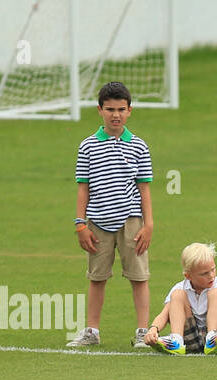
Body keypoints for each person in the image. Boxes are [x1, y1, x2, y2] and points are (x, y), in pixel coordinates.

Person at [66, 81, 155, 349]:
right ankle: (92, 331)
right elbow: (84, 187)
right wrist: (80, 224)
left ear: (130, 111)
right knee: (97, 277)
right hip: (97, 223)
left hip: (131, 222)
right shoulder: (88, 146)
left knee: (139, 277)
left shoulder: (139, 146)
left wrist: (148, 224)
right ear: (99, 110)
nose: (115, 115)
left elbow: (144, 188)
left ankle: (143, 332)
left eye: (121, 109)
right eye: (109, 109)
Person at [144, 242, 217, 354]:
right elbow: (165, 313)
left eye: (213, 269)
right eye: (204, 273)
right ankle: (176, 341)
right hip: (189, 338)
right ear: (188, 276)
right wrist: (153, 329)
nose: (211, 275)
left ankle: (211, 338)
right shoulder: (180, 288)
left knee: (216, 293)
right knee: (177, 295)